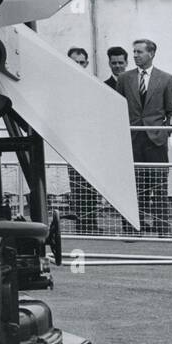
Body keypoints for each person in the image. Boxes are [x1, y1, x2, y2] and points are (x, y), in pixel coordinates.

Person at [120, 39, 172, 235]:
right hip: (132, 139)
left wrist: (165, 133)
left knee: (159, 186)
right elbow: (118, 108)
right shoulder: (125, 79)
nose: (135, 55)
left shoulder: (166, 79)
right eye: (134, 52)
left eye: (139, 52)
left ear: (151, 54)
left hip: (156, 141)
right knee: (134, 185)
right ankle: (133, 227)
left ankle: (163, 228)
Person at [64, 47, 101, 231]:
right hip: (73, 141)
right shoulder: (63, 86)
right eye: (74, 61)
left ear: (86, 64)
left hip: (90, 140)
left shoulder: (92, 84)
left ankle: (91, 222)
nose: (77, 65)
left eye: (81, 62)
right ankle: (82, 224)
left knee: (92, 184)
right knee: (77, 184)